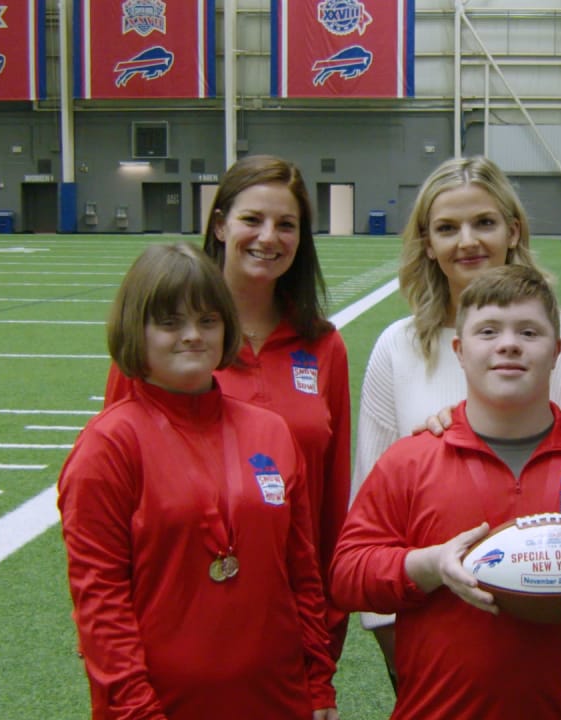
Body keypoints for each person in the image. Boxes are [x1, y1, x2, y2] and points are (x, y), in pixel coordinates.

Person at [332, 264, 561, 720]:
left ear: (557, 351)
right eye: (488, 331)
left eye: (529, 332)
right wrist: (429, 565)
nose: (508, 343)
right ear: (459, 350)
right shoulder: (409, 461)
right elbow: (347, 574)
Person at [351, 155, 561, 690]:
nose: (467, 241)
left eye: (484, 223)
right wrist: (391, 642)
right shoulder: (397, 348)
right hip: (436, 642)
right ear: (427, 242)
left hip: (552, 631)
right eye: (447, 228)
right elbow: (368, 514)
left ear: (513, 230)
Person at [58, 243, 337, 719]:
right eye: (170, 323)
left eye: (208, 321)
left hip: (278, 696)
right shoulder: (108, 446)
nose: (192, 336)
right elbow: (101, 603)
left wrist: (318, 688)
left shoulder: (270, 431)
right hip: (161, 705)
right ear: (135, 329)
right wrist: (138, 711)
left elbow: (302, 575)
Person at [103, 155, 352, 662]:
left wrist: (327, 620)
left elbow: (331, 497)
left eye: (287, 224)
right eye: (251, 219)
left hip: (285, 620)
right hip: (172, 619)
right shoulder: (165, 343)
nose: (269, 237)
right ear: (219, 224)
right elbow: (112, 497)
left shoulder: (323, 347)